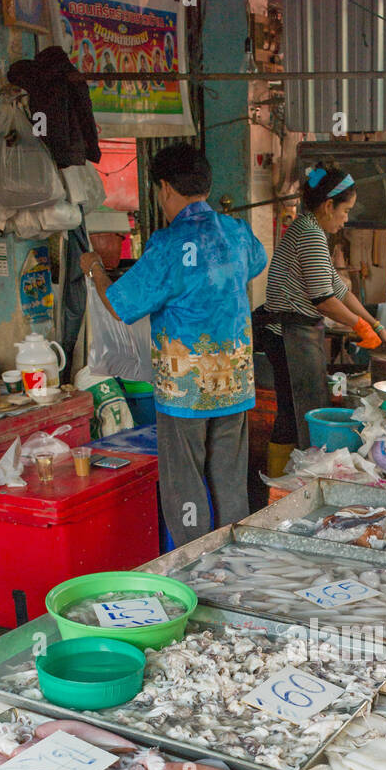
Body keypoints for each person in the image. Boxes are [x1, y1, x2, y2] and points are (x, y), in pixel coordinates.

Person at [81, 144, 267, 544]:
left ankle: (194, 565)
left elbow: (120, 304)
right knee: (231, 482)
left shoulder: (166, 245)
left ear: (165, 188)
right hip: (234, 383)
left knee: (186, 485)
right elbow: (256, 263)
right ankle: (237, 560)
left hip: (184, 392)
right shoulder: (236, 233)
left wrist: (94, 267)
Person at [263, 162, 386, 461]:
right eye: (345, 211)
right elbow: (323, 299)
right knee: (297, 415)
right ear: (328, 205)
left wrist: (375, 324)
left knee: (296, 412)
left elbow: (338, 289)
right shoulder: (309, 233)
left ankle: (287, 480)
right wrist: (360, 326)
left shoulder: (309, 230)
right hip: (288, 334)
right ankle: (284, 485)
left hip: (296, 333)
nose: (345, 219)